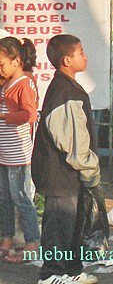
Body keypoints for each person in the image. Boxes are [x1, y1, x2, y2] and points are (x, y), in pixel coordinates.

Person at [32, 35, 101, 284]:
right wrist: (90, 169)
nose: (85, 56)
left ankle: (72, 271)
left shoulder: (69, 87)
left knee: (73, 226)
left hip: (69, 175)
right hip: (60, 174)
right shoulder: (63, 91)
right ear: (67, 60)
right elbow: (72, 141)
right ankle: (51, 274)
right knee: (59, 226)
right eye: (81, 52)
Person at [0, 37, 39, 264]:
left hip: (18, 154)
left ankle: (32, 243)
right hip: (4, 153)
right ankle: (6, 240)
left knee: (21, 198)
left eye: (2, 64)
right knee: (4, 199)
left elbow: (30, 115)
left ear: (16, 61)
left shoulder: (23, 84)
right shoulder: (6, 82)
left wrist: (4, 116)